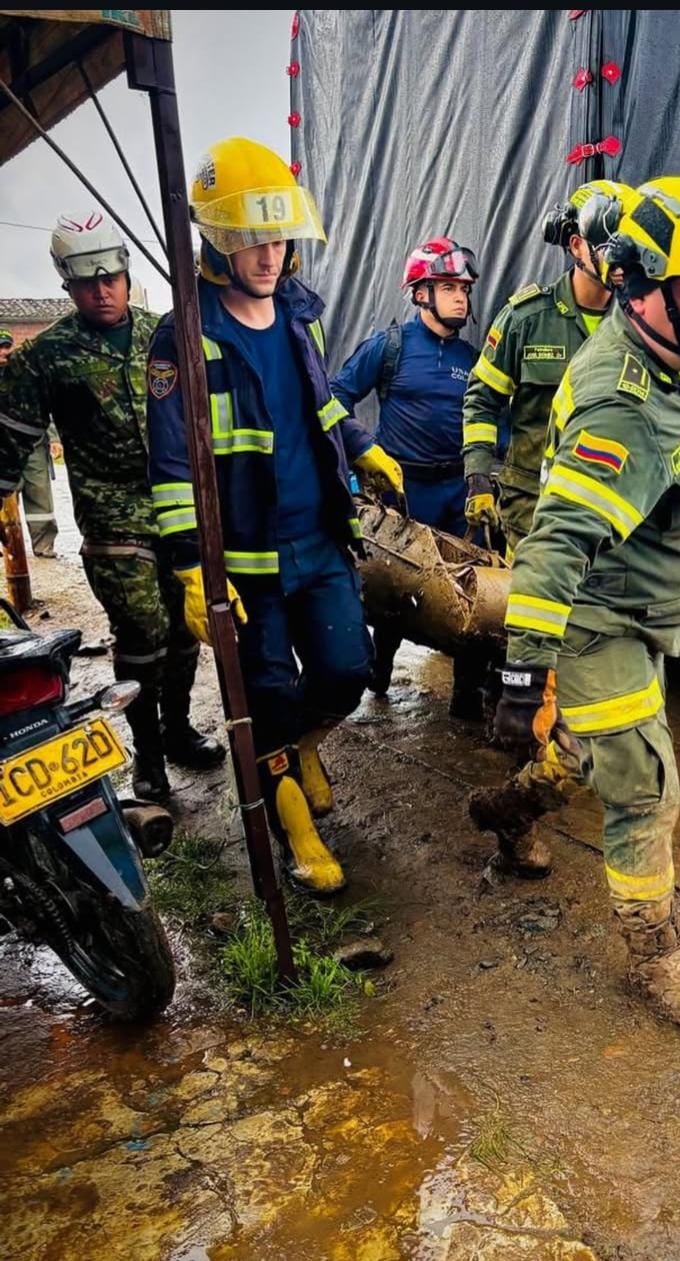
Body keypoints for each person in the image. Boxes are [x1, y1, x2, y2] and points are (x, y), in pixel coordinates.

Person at [488, 177, 680, 1029]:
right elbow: (557, 543)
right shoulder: (624, 402)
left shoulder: (655, 351)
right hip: (598, 620)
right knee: (644, 786)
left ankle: (507, 809)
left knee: (586, 753)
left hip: (640, 617)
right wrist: (521, 676)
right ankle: (657, 957)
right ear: (640, 285)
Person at [147, 137, 405, 895]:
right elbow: (169, 462)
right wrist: (191, 563)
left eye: (278, 235)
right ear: (216, 241)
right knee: (264, 693)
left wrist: (359, 444)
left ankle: (299, 745)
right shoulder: (182, 336)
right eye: (250, 237)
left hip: (320, 536)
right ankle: (295, 826)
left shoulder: (299, 313)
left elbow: (317, 402)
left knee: (345, 671)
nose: (269, 253)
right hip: (247, 556)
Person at [0, 213, 223, 801]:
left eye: (111, 278)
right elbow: (10, 440)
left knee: (183, 632)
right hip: (111, 522)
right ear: (66, 286)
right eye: (85, 283)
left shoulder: (167, 333)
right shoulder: (43, 357)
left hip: (177, 512)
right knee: (141, 635)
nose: (101, 291)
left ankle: (177, 732)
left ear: (126, 274)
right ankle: (147, 759)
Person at [331, 238, 486, 717]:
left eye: (464, 288)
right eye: (448, 287)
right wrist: (362, 450)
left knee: (470, 591)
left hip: (457, 491)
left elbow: (493, 418)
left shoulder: (473, 358)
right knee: (400, 590)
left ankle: (465, 698)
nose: (461, 297)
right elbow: (335, 397)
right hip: (403, 491)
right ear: (421, 294)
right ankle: (380, 670)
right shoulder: (390, 346)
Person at [460, 180, 637, 559]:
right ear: (577, 246)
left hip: (612, 516)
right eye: (608, 247)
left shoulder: (642, 323)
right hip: (532, 515)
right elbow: (482, 400)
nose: (620, 259)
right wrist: (478, 477)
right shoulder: (527, 319)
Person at [0, 327, 58, 558]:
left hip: (33, 446)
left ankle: (44, 545)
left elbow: (46, 406)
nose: (4, 352)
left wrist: (54, 438)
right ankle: (8, 546)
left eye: (7, 346)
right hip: (2, 449)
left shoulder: (24, 372)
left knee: (39, 496)